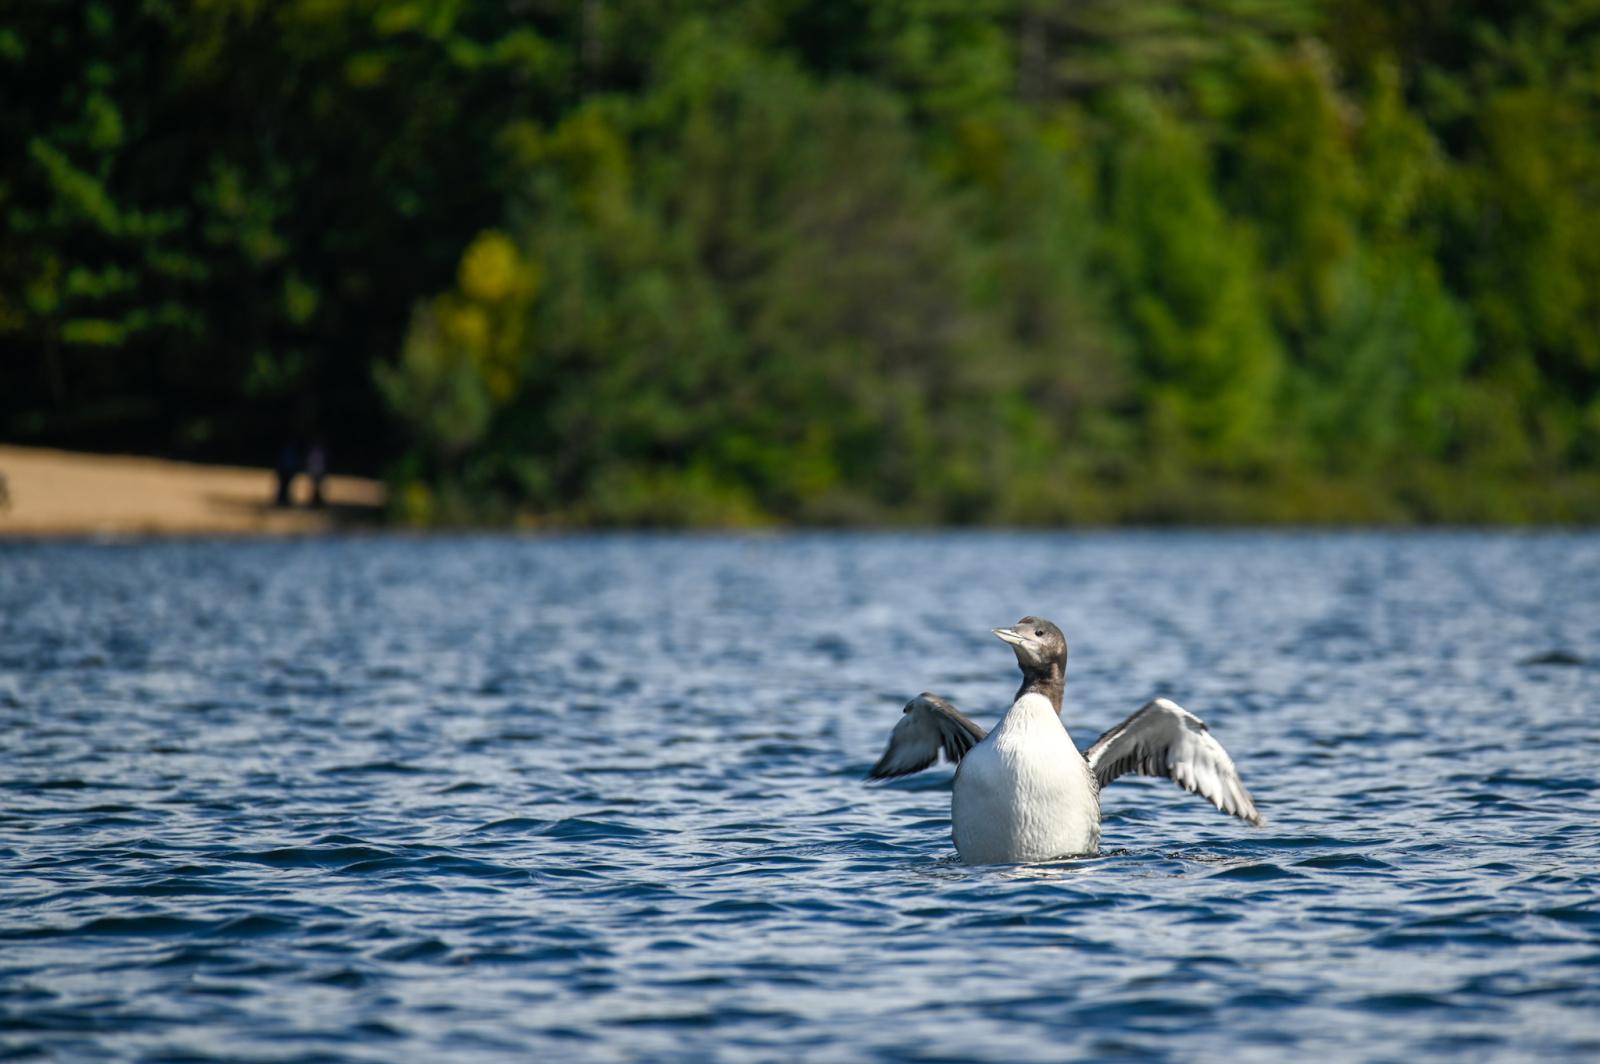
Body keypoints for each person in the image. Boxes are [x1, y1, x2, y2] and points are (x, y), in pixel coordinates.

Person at [274, 442, 299, 507]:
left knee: (286, 486)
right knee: (284, 486)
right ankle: (282, 499)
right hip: (285, 471)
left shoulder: (290, 451)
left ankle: (284, 499)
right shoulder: (289, 451)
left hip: (287, 470)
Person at [306, 441, 328, 508]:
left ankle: (317, 501)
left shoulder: (320, 452)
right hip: (315, 471)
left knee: (317, 487)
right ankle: (314, 501)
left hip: (318, 471)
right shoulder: (315, 452)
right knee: (314, 487)